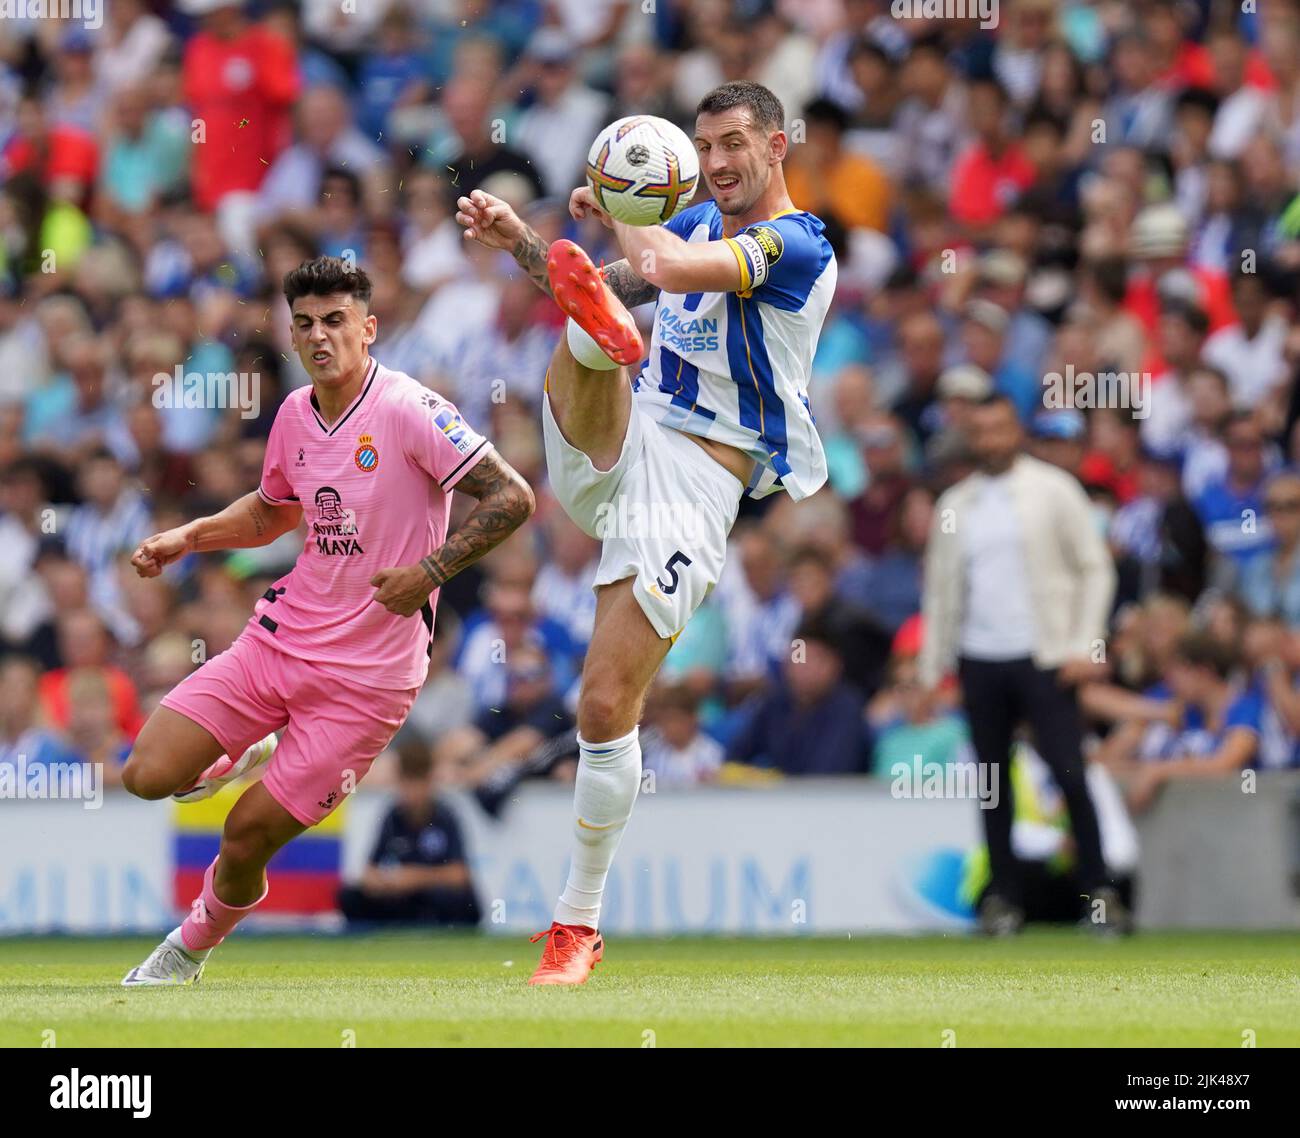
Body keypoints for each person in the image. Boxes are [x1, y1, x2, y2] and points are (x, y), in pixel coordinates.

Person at [455, 80, 836, 983]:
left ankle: (576, 924)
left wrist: (630, 215)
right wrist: (522, 242)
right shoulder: (690, 226)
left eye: (734, 143)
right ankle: (601, 344)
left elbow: (658, 269)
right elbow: (600, 275)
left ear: (777, 146)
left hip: (696, 484)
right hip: (628, 433)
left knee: (600, 706)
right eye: (704, 147)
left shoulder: (795, 243)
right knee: (593, 318)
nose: (717, 163)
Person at [118, 257, 533, 985]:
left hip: (366, 683)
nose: (319, 335)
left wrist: (430, 574)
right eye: (305, 322)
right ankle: (239, 754)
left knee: (243, 836)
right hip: (280, 640)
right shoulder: (292, 416)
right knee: (146, 775)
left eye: (335, 320)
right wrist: (191, 536)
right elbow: (273, 511)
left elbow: (513, 497)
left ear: (368, 329)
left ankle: (188, 948)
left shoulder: (408, 410)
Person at [918, 394, 1129, 935]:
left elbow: (1095, 568)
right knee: (992, 783)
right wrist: (931, 668)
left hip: (1045, 654)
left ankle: (1099, 890)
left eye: (1000, 429)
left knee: (1069, 772)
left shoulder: (1054, 490)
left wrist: (1087, 643)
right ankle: (1004, 897)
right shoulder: (955, 504)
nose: (991, 440)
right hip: (979, 657)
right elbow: (940, 593)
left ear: (1016, 431)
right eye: (982, 431)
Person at [337, 739, 480, 927]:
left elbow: (459, 875)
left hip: (431, 896)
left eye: (416, 782)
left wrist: (414, 878)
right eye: (406, 782)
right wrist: (386, 882)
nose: (411, 791)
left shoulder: (445, 816)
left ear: (429, 781)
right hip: (402, 898)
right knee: (349, 896)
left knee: (458, 900)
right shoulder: (392, 815)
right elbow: (368, 873)